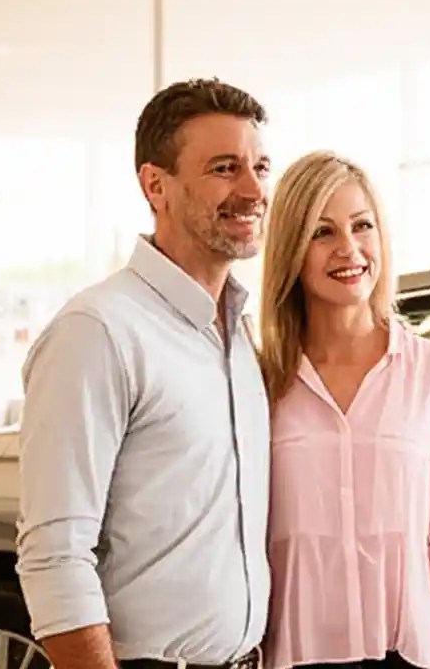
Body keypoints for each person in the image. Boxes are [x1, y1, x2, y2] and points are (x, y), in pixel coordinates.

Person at [14, 78, 273, 669]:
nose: (255, 189)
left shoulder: (237, 334)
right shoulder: (98, 331)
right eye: (225, 168)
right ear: (156, 185)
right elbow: (54, 555)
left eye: (260, 165)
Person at [258, 151, 430, 669]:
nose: (349, 249)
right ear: (292, 248)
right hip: (292, 656)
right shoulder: (260, 381)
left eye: (362, 226)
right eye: (322, 232)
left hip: (404, 655)